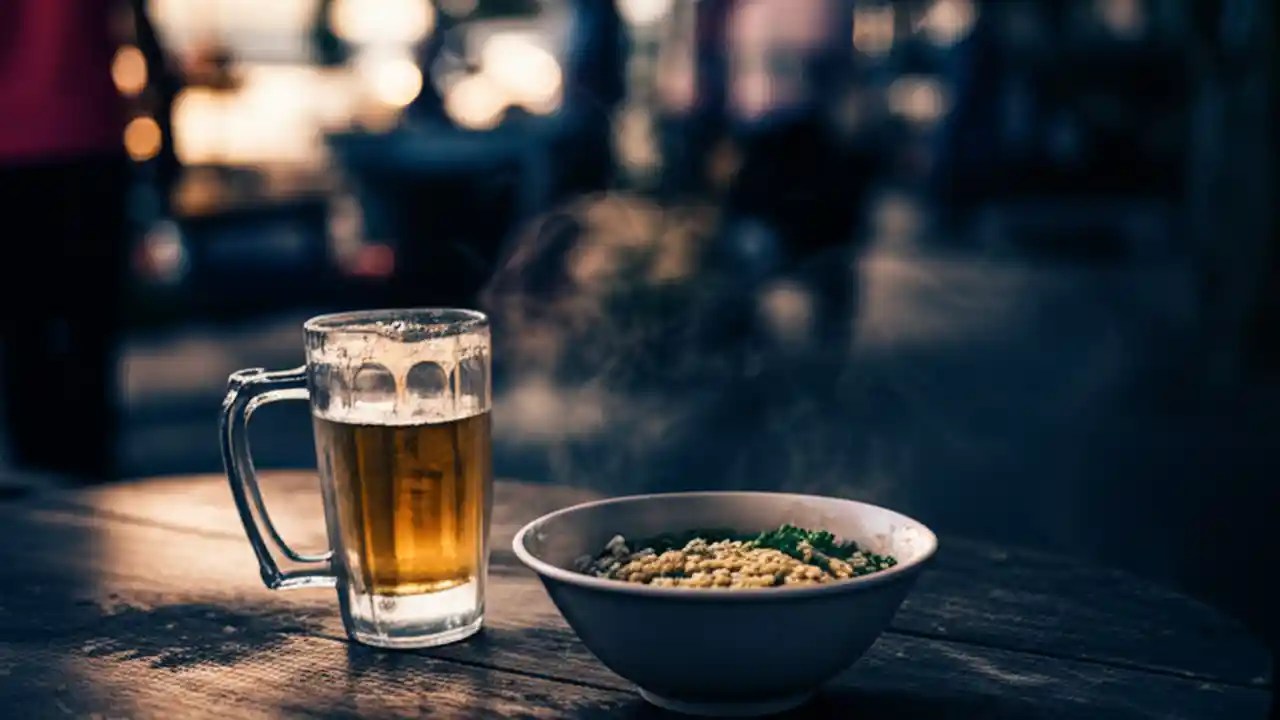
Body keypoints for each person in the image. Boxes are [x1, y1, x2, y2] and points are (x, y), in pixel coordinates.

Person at [0, 0, 141, 481]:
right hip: (90, 137)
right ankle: (89, 456)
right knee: (92, 317)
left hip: (13, 146)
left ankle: (37, 460)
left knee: (22, 321)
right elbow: (135, 24)